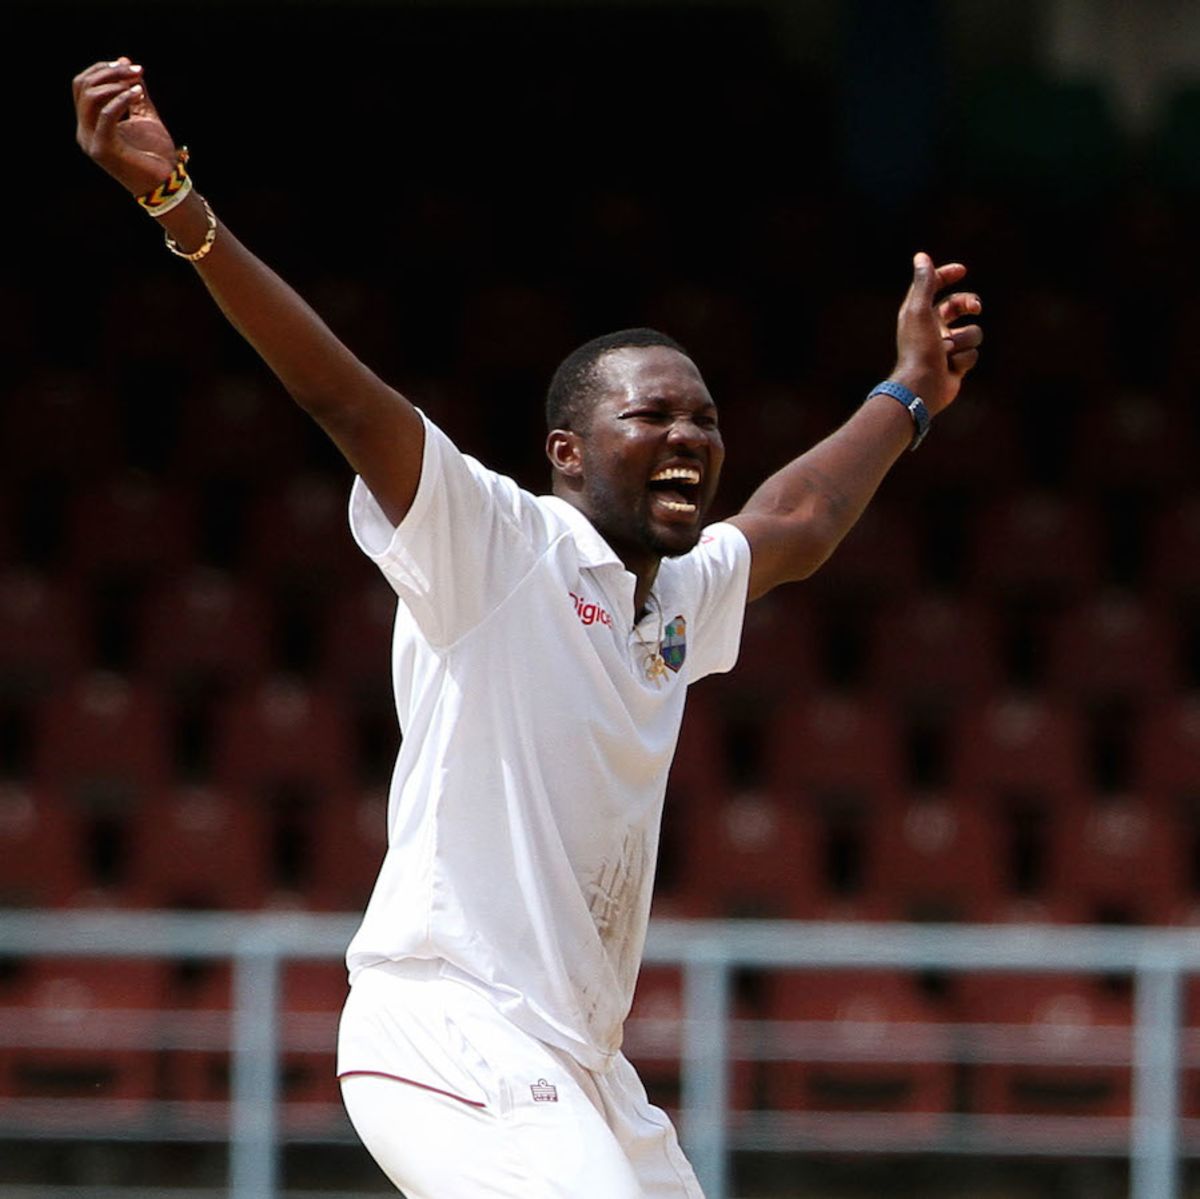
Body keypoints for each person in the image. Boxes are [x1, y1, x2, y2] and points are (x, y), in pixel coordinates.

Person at [73, 57, 982, 1199]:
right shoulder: (500, 545)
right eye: (650, 414)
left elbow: (797, 517)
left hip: (577, 1062)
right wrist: (181, 212)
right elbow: (344, 399)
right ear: (566, 451)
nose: (689, 436)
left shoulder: (681, 591)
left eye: (704, 418)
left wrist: (905, 396)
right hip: (448, 1030)